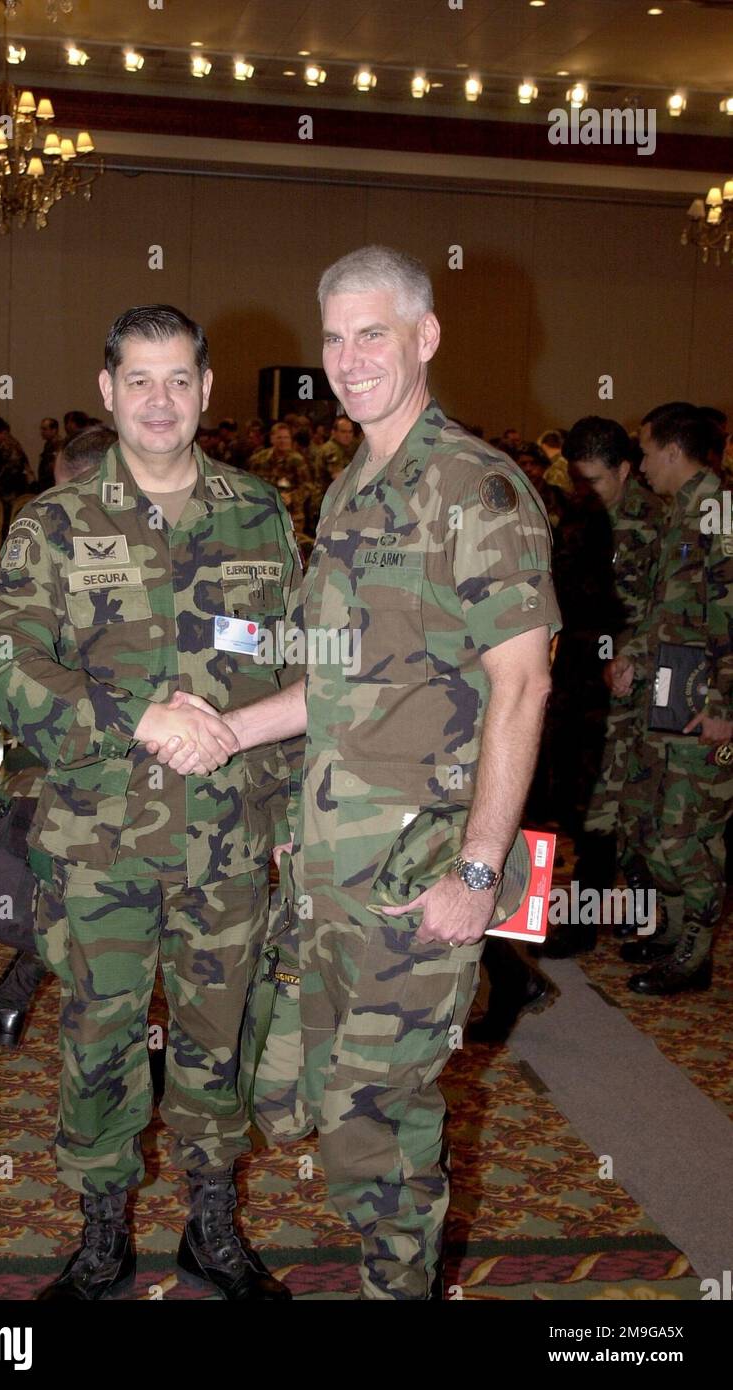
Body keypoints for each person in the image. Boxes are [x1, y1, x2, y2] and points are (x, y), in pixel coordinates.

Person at [156, 247, 561, 1299]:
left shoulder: (474, 489)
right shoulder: (348, 491)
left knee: (379, 1133)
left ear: (425, 337)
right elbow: (338, 687)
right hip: (332, 870)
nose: (348, 358)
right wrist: (231, 732)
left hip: (419, 876)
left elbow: (523, 686)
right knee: (320, 1111)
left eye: (372, 333)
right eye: (332, 337)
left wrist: (479, 873)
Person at [0, 304, 303, 1302]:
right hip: (98, 841)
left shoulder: (262, 513)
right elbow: (2, 659)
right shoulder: (55, 523)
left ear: (205, 390)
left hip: (229, 837)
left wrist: (289, 826)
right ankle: (101, 1232)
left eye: (179, 381)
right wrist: (135, 714)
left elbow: (299, 668)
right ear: (109, 391)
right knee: (100, 1032)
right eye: (139, 381)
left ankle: (212, 1225)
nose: (160, 401)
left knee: (220, 1034)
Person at [0, 429, 120, 1050]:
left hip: (118, 764)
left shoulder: (105, 551)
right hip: (99, 758)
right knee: (72, 891)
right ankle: (9, 1002)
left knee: (103, 903)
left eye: (60, 486)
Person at [609, 402, 733, 995]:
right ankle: (676, 934)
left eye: (646, 448)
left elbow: (731, 618)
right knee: (661, 819)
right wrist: (633, 654)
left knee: (686, 832)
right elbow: (669, 608)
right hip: (671, 686)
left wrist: (726, 706)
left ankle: (695, 955)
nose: (641, 461)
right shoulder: (681, 511)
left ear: (673, 451)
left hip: (704, 691)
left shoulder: (718, 510)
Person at [544, 416, 663, 957]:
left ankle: (593, 920)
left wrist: (623, 656)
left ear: (624, 468)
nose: (586, 489)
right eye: (578, 479)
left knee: (607, 805)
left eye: (596, 479)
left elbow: (663, 613)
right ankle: (611, 913)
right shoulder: (582, 518)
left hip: (626, 681)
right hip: (576, 672)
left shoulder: (652, 523)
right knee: (577, 796)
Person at [247, 421, 305, 486]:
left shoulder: (297, 460)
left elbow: (307, 486)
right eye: (279, 437)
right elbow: (249, 484)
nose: (283, 441)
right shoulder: (258, 459)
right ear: (271, 439)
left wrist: (291, 496)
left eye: (286, 438)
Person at [37, 417, 61, 491]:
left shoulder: (58, 445)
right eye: (41, 429)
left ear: (54, 430)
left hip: (52, 484)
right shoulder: (48, 444)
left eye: (44, 429)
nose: (42, 432)